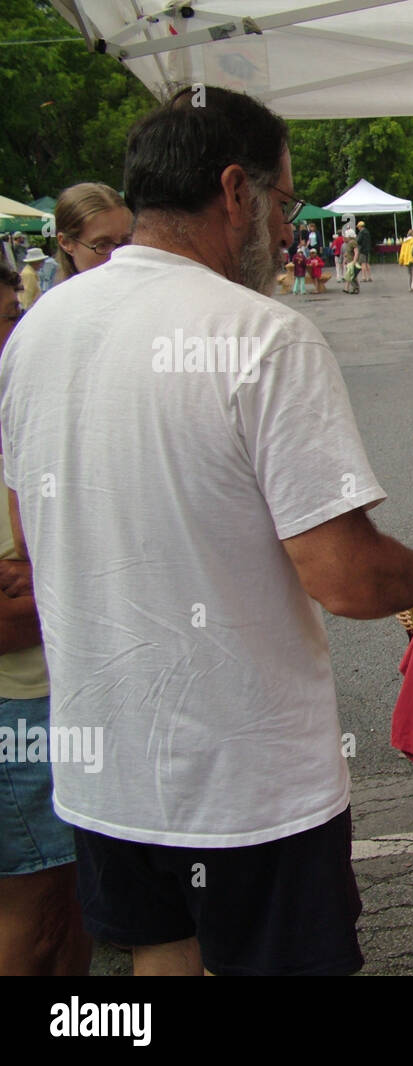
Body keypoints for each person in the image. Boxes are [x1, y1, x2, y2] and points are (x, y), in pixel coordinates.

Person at [0, 86, 413, 977]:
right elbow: (348, 579)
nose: (288, 226)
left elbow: (42, 525)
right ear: (236, 192)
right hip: (247, 782)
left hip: (107, 769)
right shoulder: (263, 335)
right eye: (285, 201)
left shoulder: (37, 332)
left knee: (160, 955)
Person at [0, 263, 92, 976]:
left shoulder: (25, 427)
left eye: (13, 315)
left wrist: (45, 577)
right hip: (19, 711)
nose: (13, 335)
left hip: (66, 697)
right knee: (31, 920)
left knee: (73, 908)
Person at [54, 183, 133, 282]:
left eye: (126, 242)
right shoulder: (59, 297)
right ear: (66, 242)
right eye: (103, 245)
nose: (118, 254)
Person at [398, 227, 413, 293]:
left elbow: (402, 252)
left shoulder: (404, 242)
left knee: (409, 274)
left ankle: (410, 287)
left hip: (406, 260)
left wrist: (401, 261)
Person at [342, 229, 361, 294]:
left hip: (352, 261)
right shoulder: (349, 243)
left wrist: (354, 261)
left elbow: (356, 252)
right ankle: (355, 288)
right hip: (349, 261)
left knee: (352, 275)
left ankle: (356, 289)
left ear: (349, 236)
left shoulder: (352, 242)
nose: (345, 238)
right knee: (352, 276)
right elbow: (349, 252)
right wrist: (346, 258)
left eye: (346, 236)